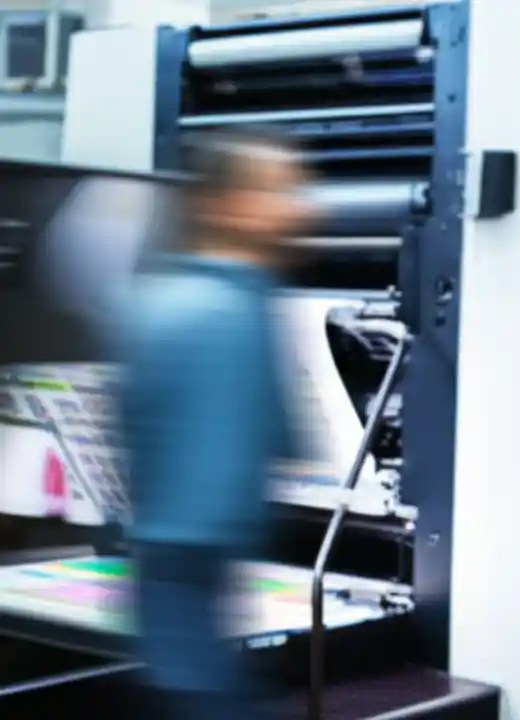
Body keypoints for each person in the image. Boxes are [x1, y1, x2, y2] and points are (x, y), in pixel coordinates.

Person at [118, 127, 311, 719]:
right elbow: (258, 452)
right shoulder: (221, 314)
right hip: (190, 563)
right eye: (278, 191)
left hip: (190, 567)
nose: (300, 207)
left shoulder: (185, 298)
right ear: (225, 205)